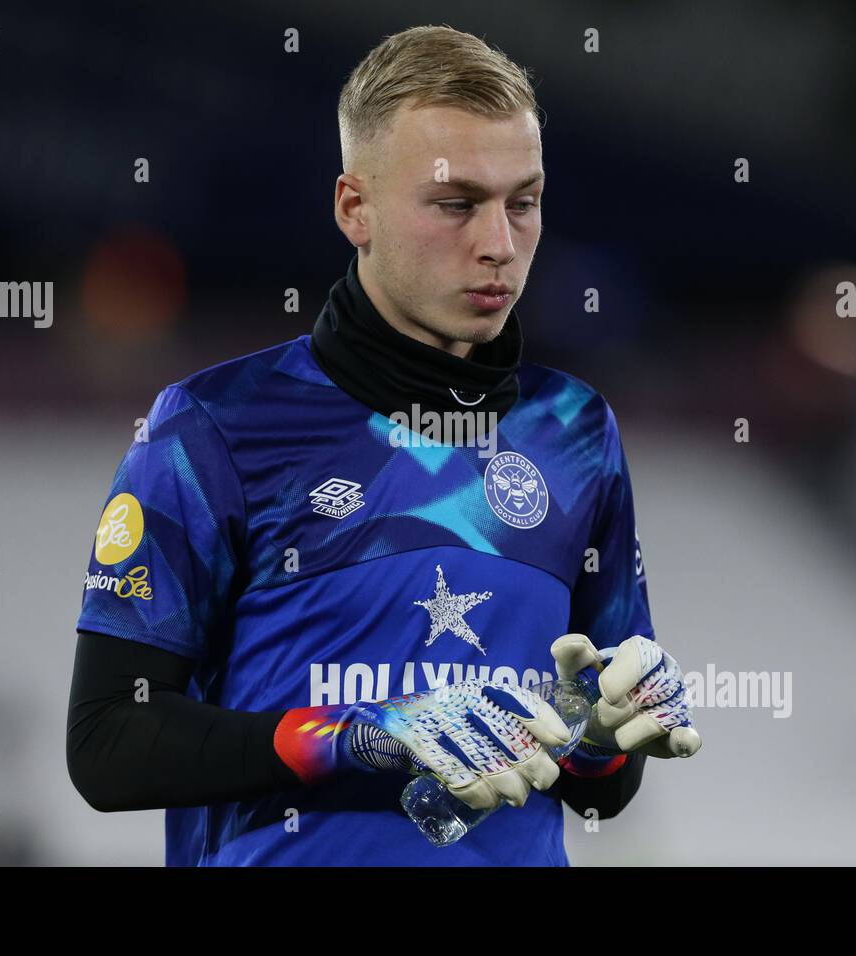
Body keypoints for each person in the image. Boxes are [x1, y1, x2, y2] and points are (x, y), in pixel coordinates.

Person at [67, 24, 698, 867]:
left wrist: (600, 732)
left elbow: (599, 787)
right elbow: (107, 741)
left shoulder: (575, 430)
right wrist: (366, 736)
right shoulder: (214, 426)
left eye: (523, 201)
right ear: (353, 209)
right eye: (455, 203)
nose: (500, 245)